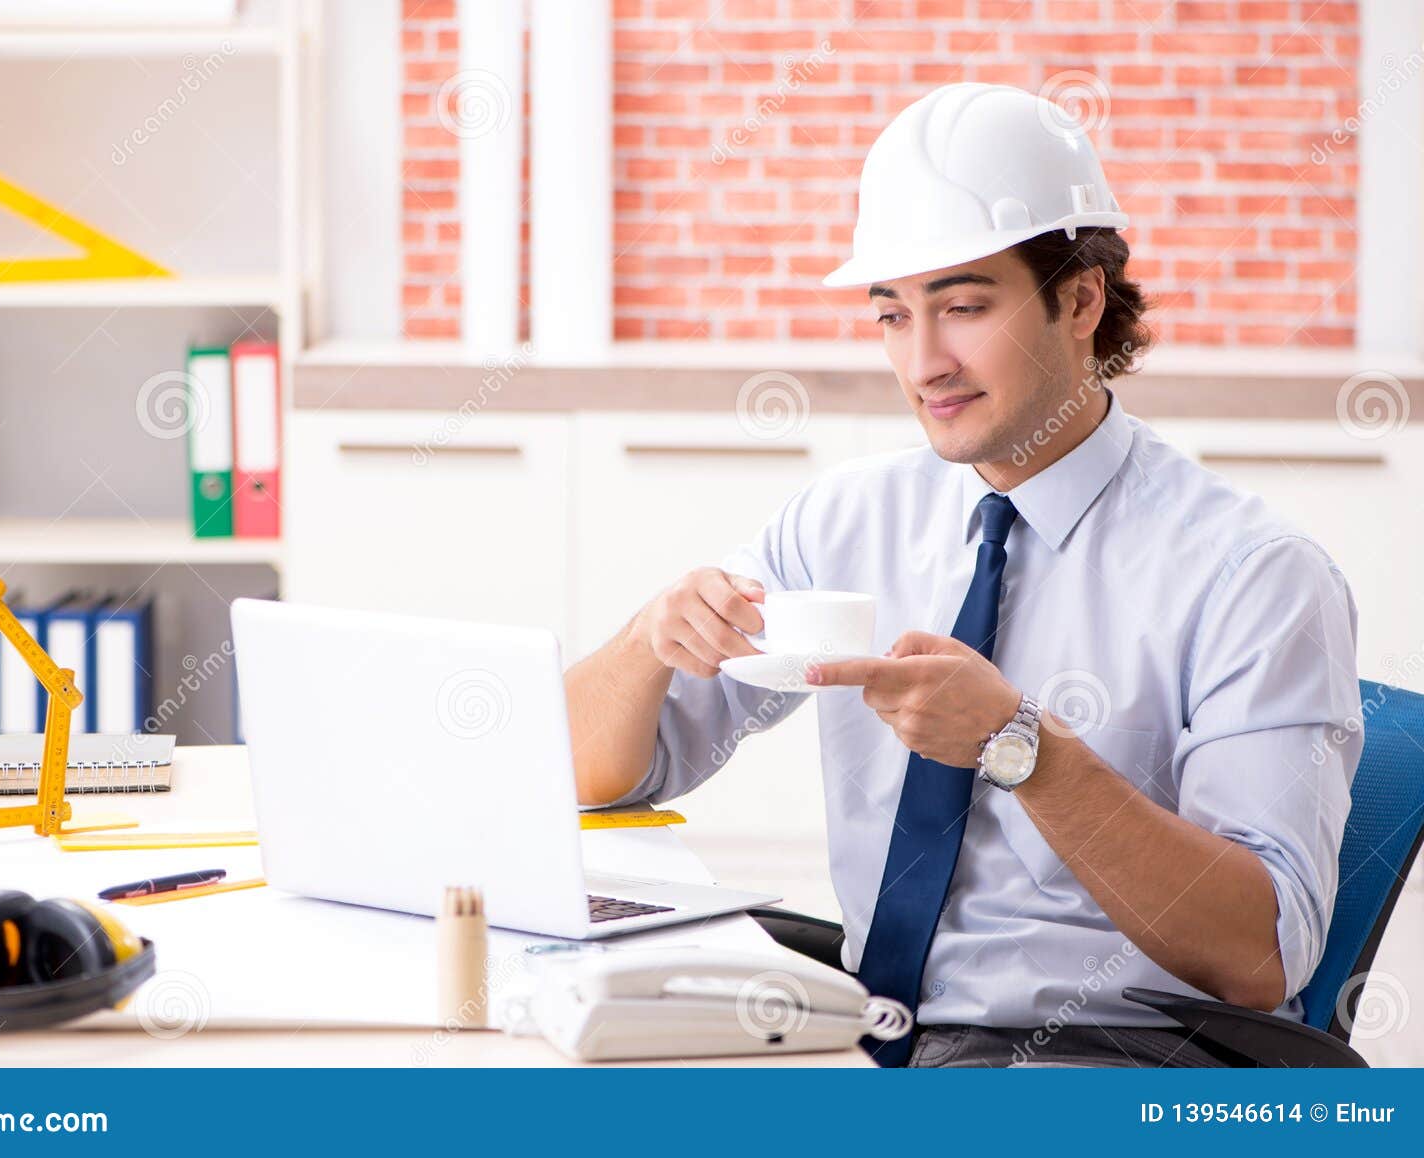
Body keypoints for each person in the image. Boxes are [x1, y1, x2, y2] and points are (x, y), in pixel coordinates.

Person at [562, 83, 1361, 1068]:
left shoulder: (1253, 576)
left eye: (964, 307)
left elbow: (1260, 957)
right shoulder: (847, 520)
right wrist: (650, 638)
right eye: (892, 316)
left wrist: (1022, 747)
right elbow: (587, 774)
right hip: (876, 1024)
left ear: (1079, 300)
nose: (924, 363)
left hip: (1114, 1055)